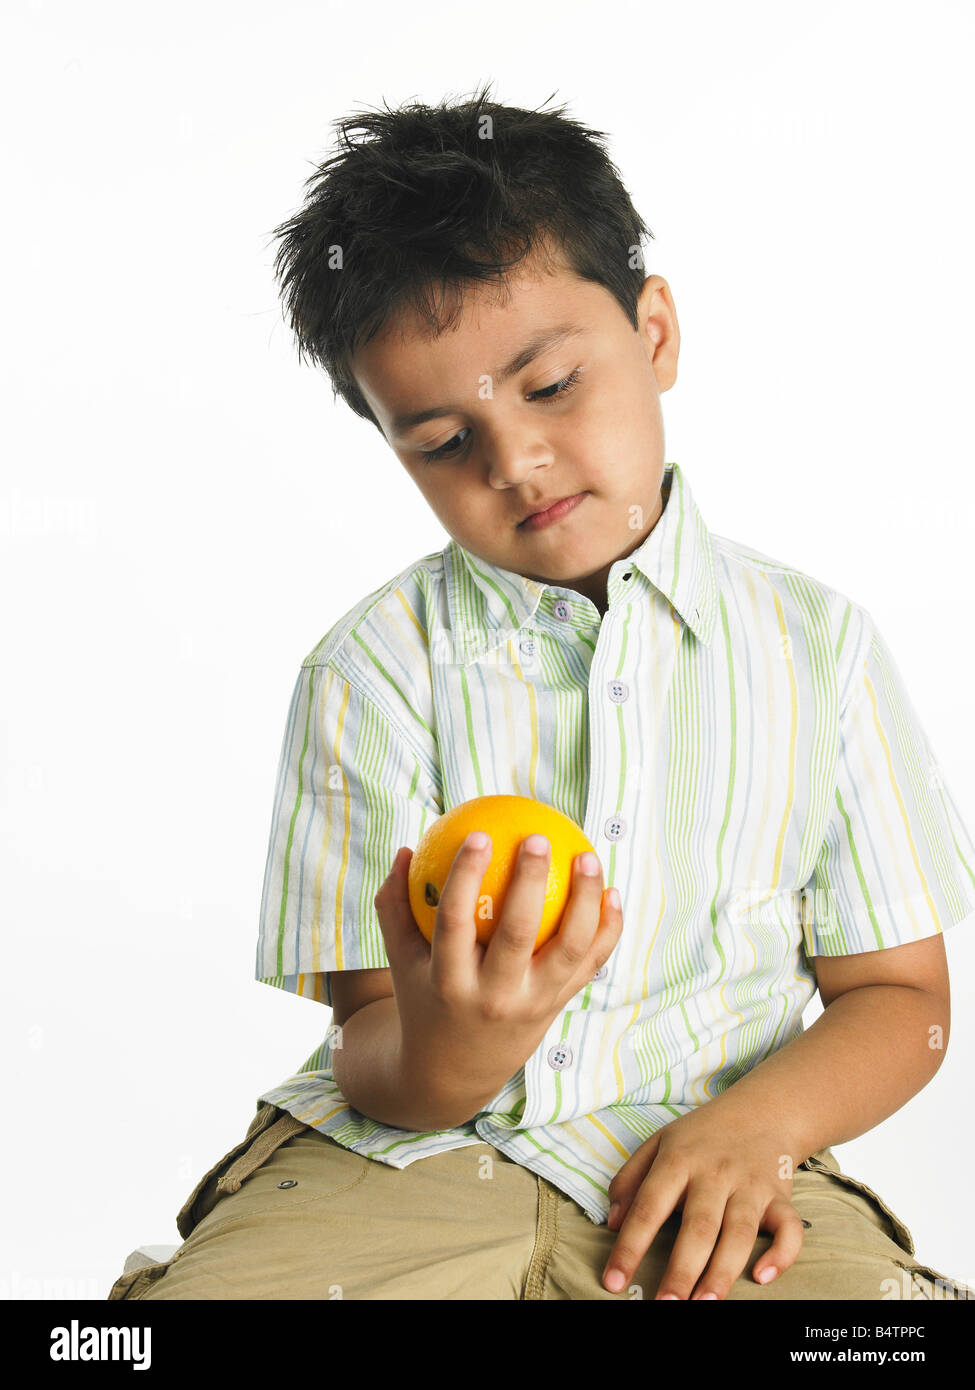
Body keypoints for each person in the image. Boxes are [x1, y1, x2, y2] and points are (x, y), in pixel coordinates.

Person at [109, 82, 975, 1302]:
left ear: (655, 332)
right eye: (441, 441)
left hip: (716, 1167)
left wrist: (762, 1127)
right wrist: (455, 1053)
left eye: (551, 385)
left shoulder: (816, 647)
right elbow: (371, 1042)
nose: (512, 459)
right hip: (394, 1164)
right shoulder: (370, 670)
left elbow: (902, 998)